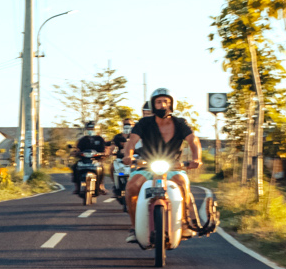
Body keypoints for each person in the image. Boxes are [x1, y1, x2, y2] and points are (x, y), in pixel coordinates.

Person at [123, 89, 203, 242]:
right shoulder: (144, 123)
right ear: (153, 105)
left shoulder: (180, 123)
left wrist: (196, 159)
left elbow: (194, 141)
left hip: (173, 167)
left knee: (182, 182)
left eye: (166, 101)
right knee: (131, 186)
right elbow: (131, 141)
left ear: (172, 104)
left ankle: (185, 223)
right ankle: (134, 228)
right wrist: (128, 156)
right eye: (158, 102)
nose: (162, 105)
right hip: (147, 166)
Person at [71, 121, 110, 191]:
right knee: (75, 167)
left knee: (101, 168)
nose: (90, 131)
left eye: (92, 129)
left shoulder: (100, 139)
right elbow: (78, 148)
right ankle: (77, 187)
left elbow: (105, 149)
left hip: (96, 160)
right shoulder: (83, 140)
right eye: (89, 129)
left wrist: (104, 153)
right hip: (84, 160)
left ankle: (101, 185)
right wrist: (75, 152)